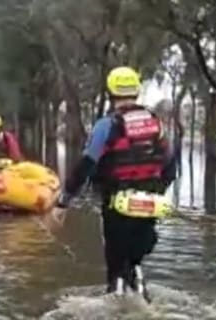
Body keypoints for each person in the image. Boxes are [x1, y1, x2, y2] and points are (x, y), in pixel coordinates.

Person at [46, 66, 176, 301]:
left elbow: (86, 165)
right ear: (136, 91)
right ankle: (137, 282)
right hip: (149, 205)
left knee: (116, 262)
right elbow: (170, 167)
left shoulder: (107, 125)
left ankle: (116, 295)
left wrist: (63, 202)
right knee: (135, 255)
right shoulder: (156, 124)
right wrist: (154, 192)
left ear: (111, 92)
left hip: (117, 204)